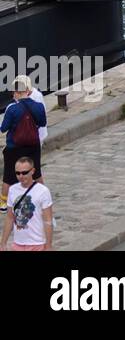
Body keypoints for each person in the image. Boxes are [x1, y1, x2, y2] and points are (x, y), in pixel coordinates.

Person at [0, 77, 45, 214]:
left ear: (17, 92)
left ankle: (4, 202)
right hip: (33, 145)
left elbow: (3, 128)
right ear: (28, 91)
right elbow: (42, 123)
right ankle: (42, 197)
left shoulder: (12, 108)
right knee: (36, 172)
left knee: (8, 175)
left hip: (14, 147)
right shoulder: (38, 106)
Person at [0, 157, 52, 251]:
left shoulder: (43, 191)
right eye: (18, 173)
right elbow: (9, 218)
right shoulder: (12, 190)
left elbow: (48, 220)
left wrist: (48, 246)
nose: (21, 176)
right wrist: (3, 243)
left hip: (37, 243)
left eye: (24, 173)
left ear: (32, 171)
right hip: (18, 244)